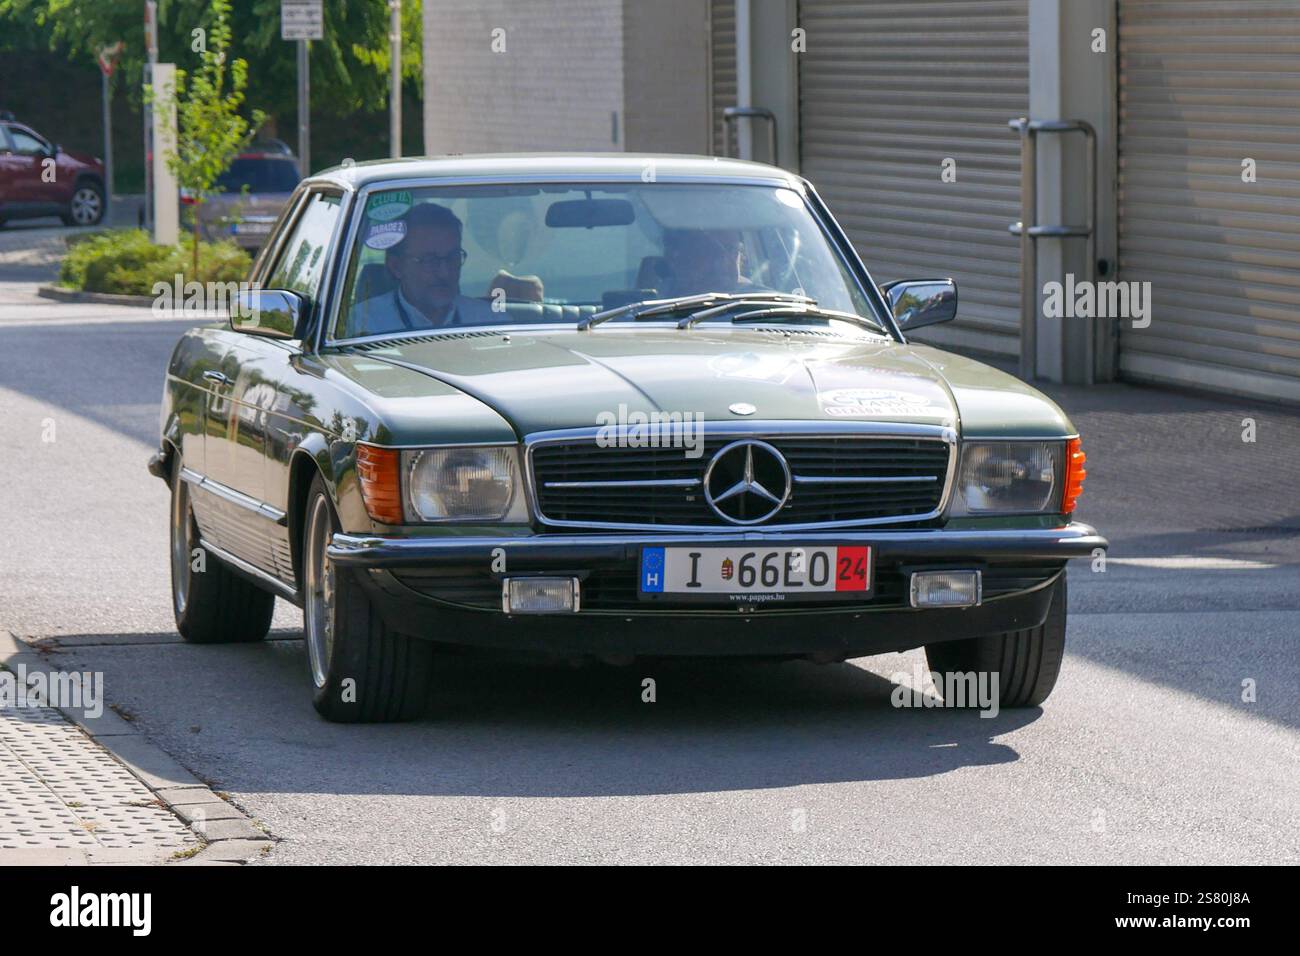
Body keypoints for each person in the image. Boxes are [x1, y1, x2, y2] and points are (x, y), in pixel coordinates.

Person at [348, 203, 542, 335]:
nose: (444, 272)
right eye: (429, 260)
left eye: (452, 257)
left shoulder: (490, 320)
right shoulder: (360, 325)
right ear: (396, 266)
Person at [659, 228, 752, 297]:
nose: (723, 259)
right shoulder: (658, 298)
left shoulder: (754, 299)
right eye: (710, 250)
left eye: (731, 249)